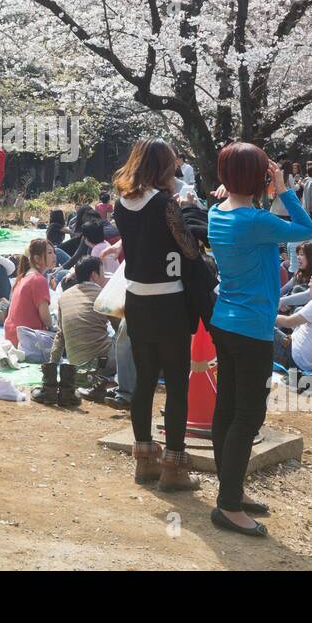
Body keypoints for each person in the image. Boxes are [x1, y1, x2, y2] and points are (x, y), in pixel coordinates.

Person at [207, 142, 312, 536]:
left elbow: (242, 211)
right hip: (252, 328)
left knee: (227, 407)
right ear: (259, 178)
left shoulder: (216, 213)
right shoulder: (254, 221)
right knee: (248, 414)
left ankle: (230, 489)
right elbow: (308, 231)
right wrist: (284, 188)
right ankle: (229, 505)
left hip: (225, 321)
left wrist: (251, 189)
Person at [113, 139, 205, 494]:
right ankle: (174, 467)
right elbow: (189, 249)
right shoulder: (165, 204)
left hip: (136, 300)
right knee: (177, 384)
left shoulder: (122, 203)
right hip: (168, 302)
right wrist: (189, 211)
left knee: (145, 380)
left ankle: (144, 461)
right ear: (162, 167)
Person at [49, 256, 119, 392]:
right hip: (102, 365)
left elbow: (60, 335)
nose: (104, 278)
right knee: (129, 329)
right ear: (94, 275)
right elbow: (120, 330)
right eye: (102, 273)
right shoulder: (103, 295)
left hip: (77, 366)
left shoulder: (64, 296)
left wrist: (52, 365)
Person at [3, 238, 55, 345]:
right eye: (49, 253)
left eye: (54, 252)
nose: (54, 256)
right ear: (37, 258)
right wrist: (52, 326)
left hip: (11, 336)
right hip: (27, 339)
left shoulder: (22, 278)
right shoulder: (39, 280)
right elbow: (46, 318)